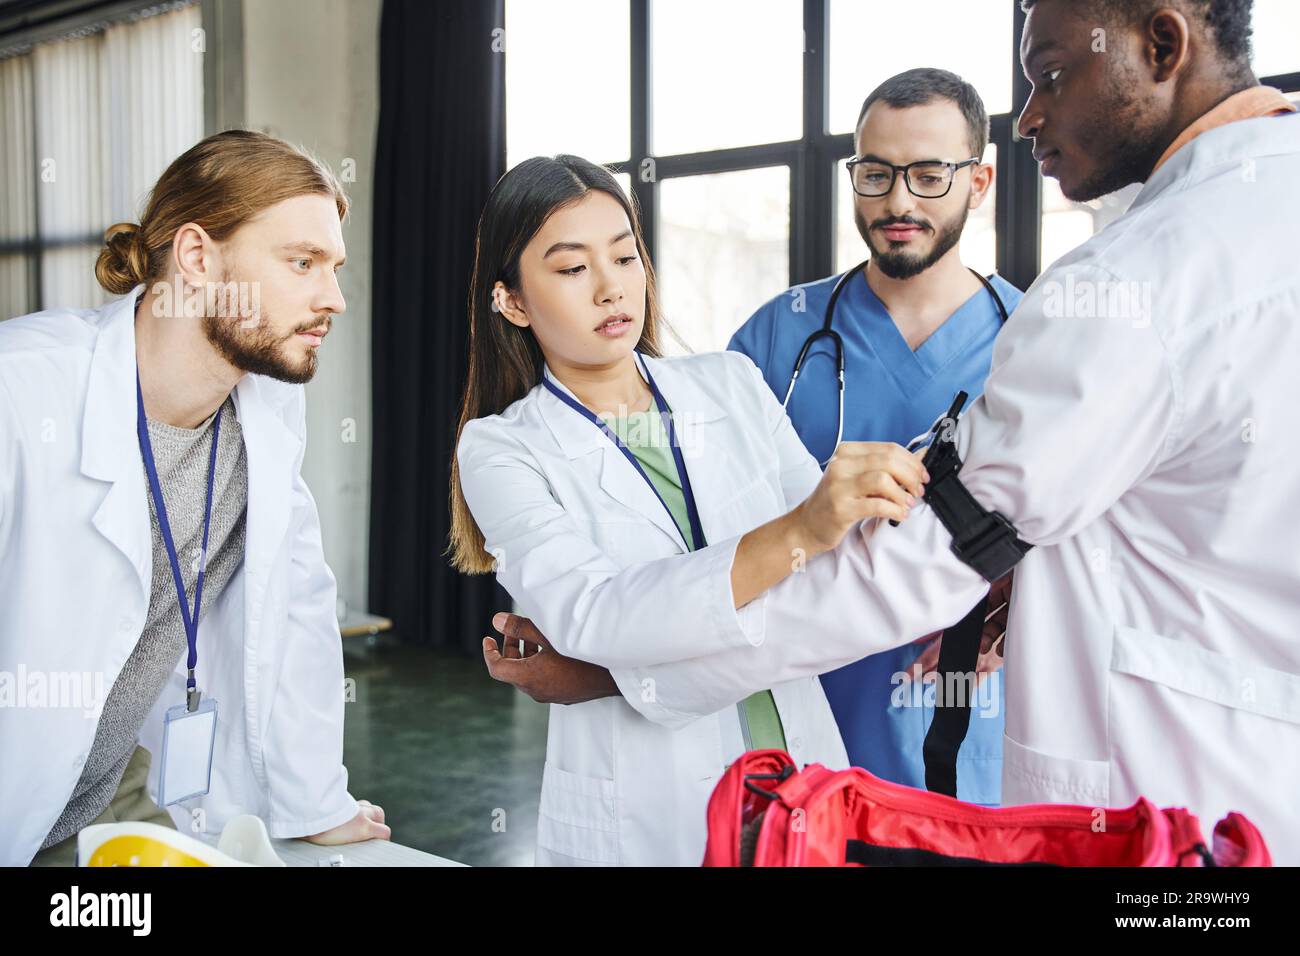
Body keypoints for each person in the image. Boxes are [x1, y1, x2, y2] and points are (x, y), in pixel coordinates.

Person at [482, 0, 1300, 863]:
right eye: (874, 172)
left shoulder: (1124, 283)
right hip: (841, 724)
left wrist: (624, 668)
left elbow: (908, 562)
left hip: (1159, 785)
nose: (1031, 115)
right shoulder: (770, 338)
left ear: (1162, 45)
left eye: (1051, 74)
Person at [451, 154, 928, 865]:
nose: (612, 287)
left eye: (624, 255)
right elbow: (598, 618)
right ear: (513, 301)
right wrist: (798, 533)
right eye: (573, 269)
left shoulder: (729, 383)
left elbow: (835, 579)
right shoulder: (498, 449)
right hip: (648, 805)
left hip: (796, 770)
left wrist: (606, 674)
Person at [0, 130, 390, 866]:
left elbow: (300, 599)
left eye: (333, 267)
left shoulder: (267, 408)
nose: (333, 298)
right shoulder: (21, 392)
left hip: (97, 798)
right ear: (198, 258)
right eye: (302, 263)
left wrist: (316, 802)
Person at [730, 68, 1024, 805]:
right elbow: (707, 530)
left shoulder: (1038, 342)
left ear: (979, 182)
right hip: (801, 738)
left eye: (929, 175)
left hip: (973, 741)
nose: (897, 201)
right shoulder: (778, 335)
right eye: (875, 173)